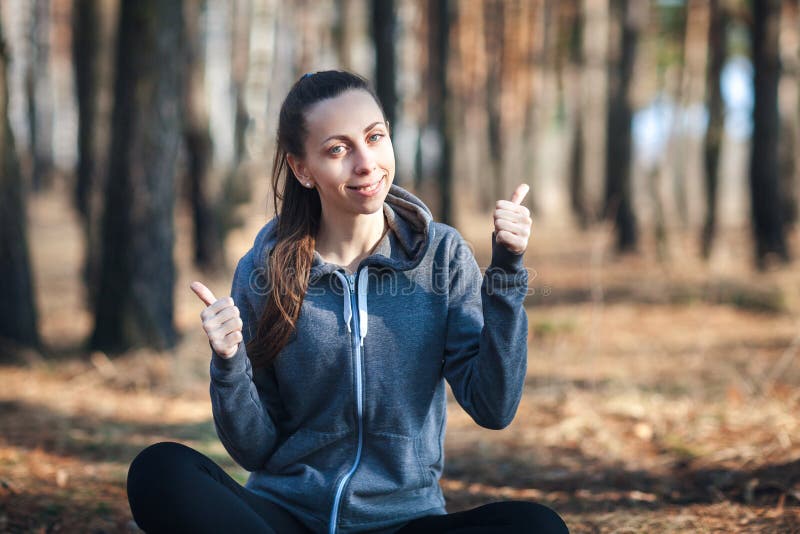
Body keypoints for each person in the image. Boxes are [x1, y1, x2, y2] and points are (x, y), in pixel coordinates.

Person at [126, 70, 568, 534]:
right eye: (338, 149)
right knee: (159, 470)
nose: (365, 163)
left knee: (537, 527)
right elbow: (254, 450)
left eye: (374, 138)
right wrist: (229, 363)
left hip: (402, 522)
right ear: (302, 169)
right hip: (288, 517)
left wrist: (506, 270)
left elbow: (493, 406)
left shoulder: (441, 255)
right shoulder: (264, 271)